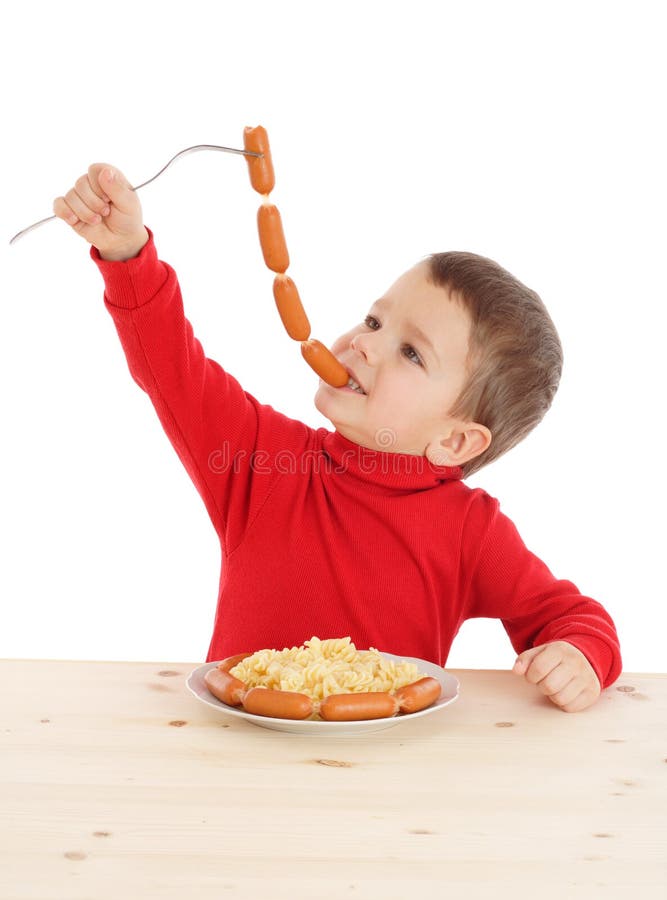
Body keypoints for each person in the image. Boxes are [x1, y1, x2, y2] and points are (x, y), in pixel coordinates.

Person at [53, 163, 622, 713]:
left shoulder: (473, 532)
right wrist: (127, 255)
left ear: (455, 443)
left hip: (378, 785)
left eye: (411, 352)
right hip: (230, 769)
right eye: (375, 322)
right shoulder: (263, 460)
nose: (364, 344)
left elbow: (572, 616)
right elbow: (171, 369)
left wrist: (579, 656)